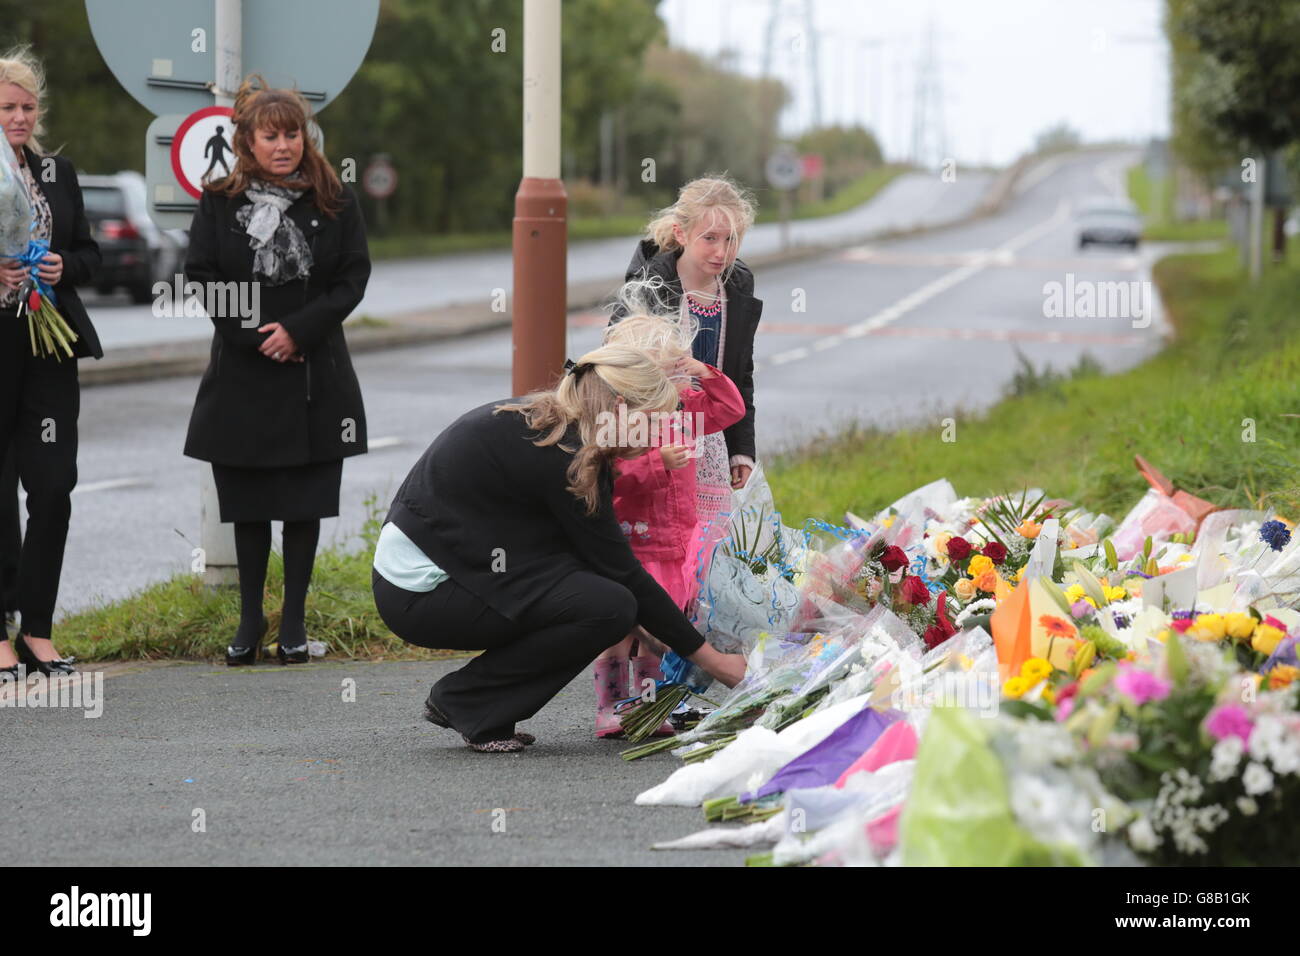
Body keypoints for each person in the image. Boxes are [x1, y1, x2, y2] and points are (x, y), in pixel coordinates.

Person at [371, 331, 747, 753]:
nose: (660, 434)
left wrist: (671, 639)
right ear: (622, 410)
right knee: (608, 606)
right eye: (656, 420)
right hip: (421, 592)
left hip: (451, 573)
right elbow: (623, 572)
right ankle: (470, 702)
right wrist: (713, 660)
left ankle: (474, 702)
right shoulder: (565, 456)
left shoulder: (558, 429)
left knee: (604, 597)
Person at [182, 76, 370, 666]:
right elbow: (203, 276)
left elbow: (352, 278)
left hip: (315, 372)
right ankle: (248, 621)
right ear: (248, 141)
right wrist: (255, 334)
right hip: (243, 372)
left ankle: (293, 622)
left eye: (292, 134)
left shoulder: (334, 198)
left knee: (304, 502)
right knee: (250, 502)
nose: (284, 145)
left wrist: (299, 332)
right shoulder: (219, 200)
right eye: (271, 136)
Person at [593, 308, 746, 737]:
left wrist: (705, 372)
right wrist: (656, 462)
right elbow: (613, 480)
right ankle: (608, 709)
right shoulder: (624, 420)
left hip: (675, 543)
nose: (677, 381)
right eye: (668, 370)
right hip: (634, 543)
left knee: (659, 631)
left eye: (679, 369)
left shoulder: (685, 408)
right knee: (621, 633)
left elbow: (731, 409)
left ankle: (642, 708)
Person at [0, 47, 103, 679]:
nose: (18, 116)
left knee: (54, 488)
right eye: (6, 107)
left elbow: (91, 254)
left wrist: (67, 266)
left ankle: (37, 628)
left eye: (26, 106)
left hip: (49, 346)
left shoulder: (59, 174)